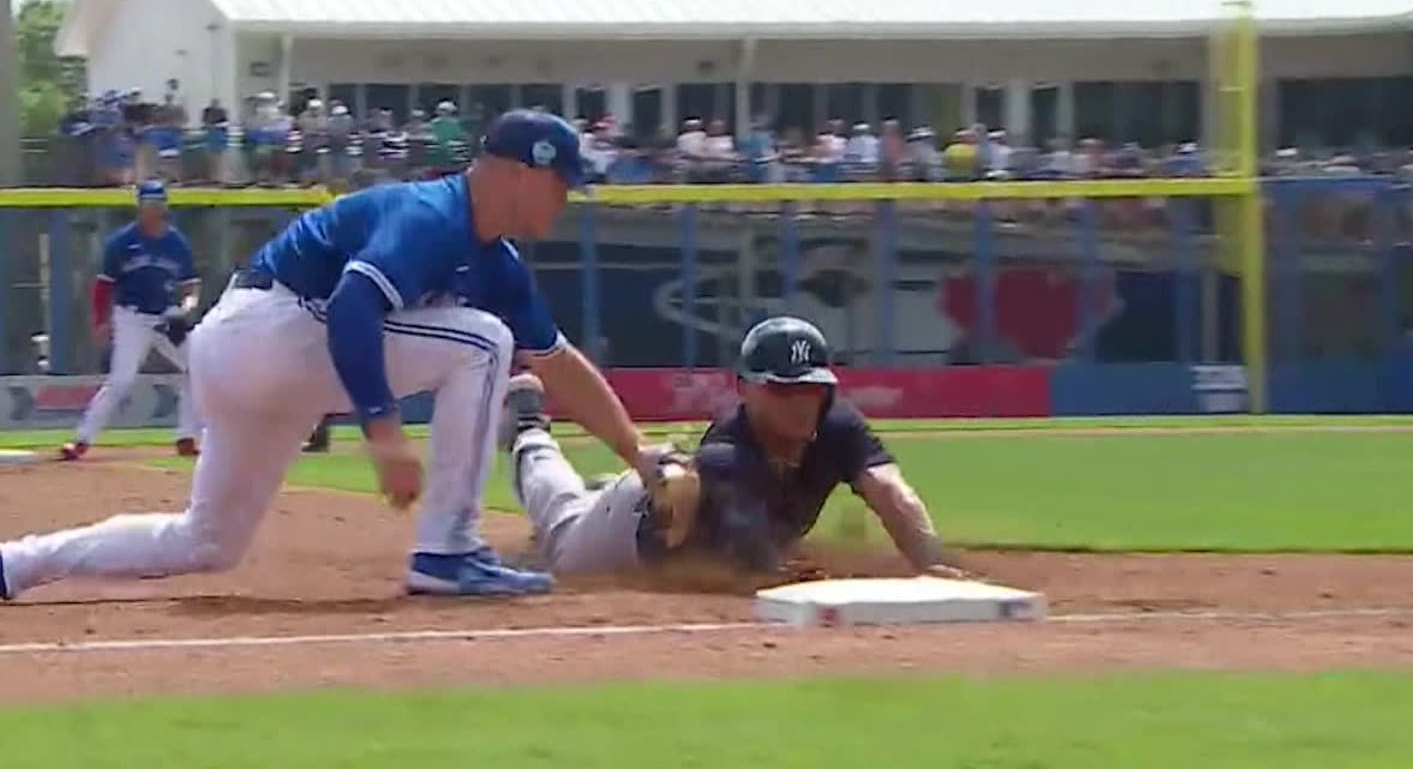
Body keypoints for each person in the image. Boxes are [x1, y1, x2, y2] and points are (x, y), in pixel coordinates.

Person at [0, 110, 676, 601]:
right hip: (269, 331)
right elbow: (354, 304)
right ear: (518, 173)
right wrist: (383, 431)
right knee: (483, 340)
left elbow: (558, 363)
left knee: (205, 543)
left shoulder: (496, 261)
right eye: (560, 182)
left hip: (251, 356)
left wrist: (637, 454)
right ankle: (449, 548)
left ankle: (19, 561)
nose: (566, 198)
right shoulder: (432, 215)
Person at [506, 315, 969, 580]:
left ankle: (591, 480)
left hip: (664, 495)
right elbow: (752, 561)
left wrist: (931, 563)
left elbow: (890, 491)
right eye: (783, 390)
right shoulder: (727, 455)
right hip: (621, 528)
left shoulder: (838, 425)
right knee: (560, 521)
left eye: (811, 389)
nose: (801, 403)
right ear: (746, 389)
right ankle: (528, 428)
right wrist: (779, 575)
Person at [61, 180, 204, 460]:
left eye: (158, 204)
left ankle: (187, 436)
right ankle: (82, 439)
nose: (154, 209)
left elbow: (191, 286)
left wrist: (184, 309)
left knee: (197, 369)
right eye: (149, 204)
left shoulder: (176, 243)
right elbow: (104, 285)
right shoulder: (122, 242)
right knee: (121, 381)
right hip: (131, 317)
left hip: (165, 317)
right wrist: (100, 320)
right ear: (139, 207)